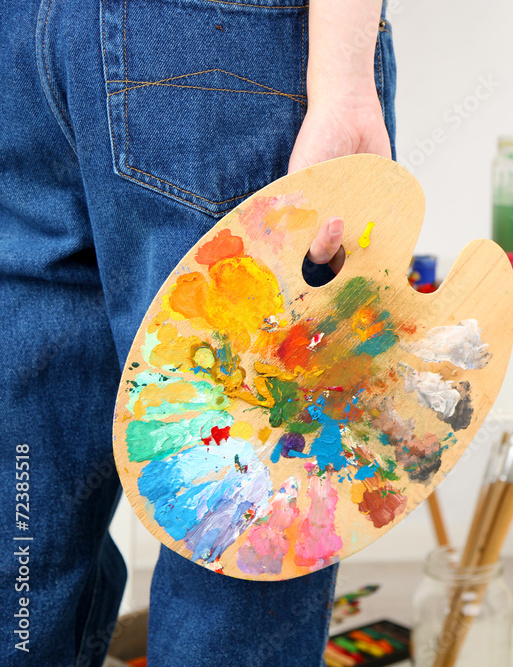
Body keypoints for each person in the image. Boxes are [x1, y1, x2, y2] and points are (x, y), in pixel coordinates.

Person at [0, 0, 396, 664]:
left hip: (19, 43)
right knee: (247, 535)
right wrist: (344, 78)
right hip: (221, 42)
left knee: (21, 532)